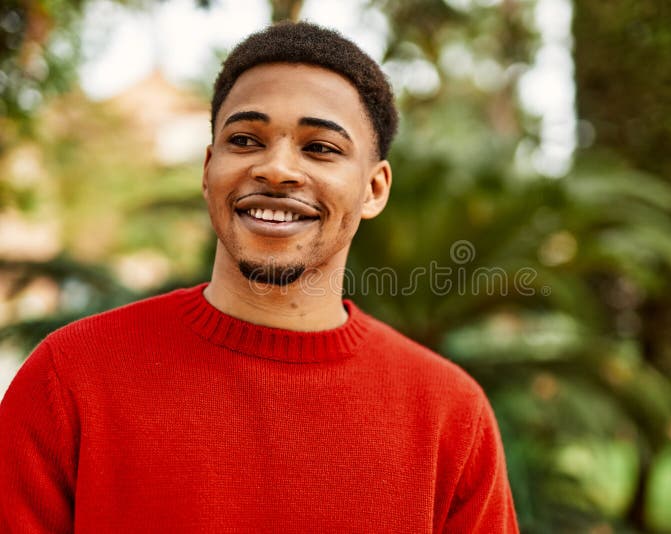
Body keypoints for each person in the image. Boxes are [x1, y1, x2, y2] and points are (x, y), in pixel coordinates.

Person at [0, 21, 519, 532]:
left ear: (374, 189)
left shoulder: (450, 415)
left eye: (320, 148)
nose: (276, 169)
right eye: (246, 139)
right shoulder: (69, 377)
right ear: (208, 170)